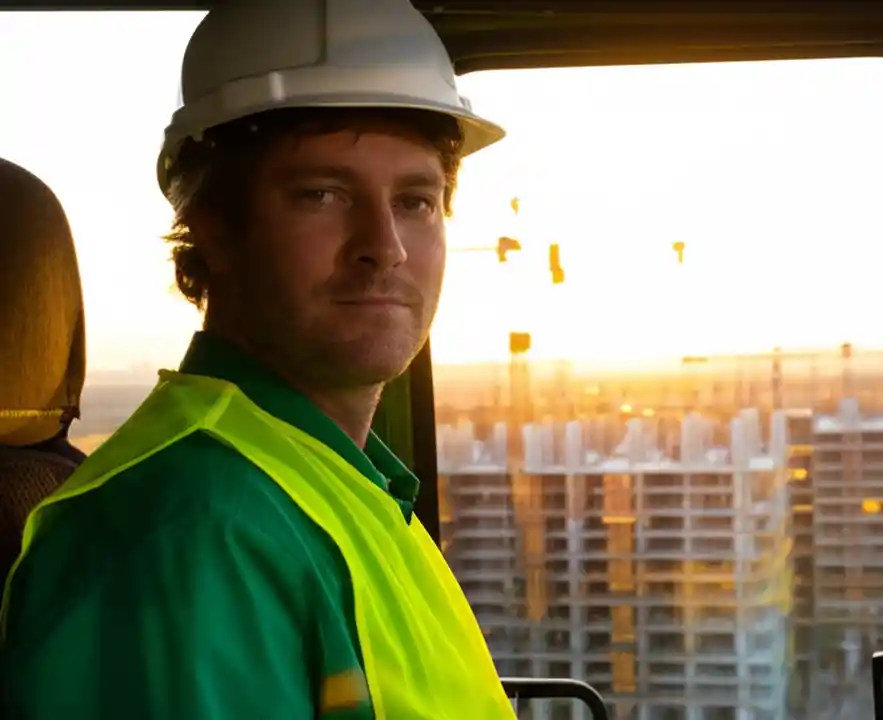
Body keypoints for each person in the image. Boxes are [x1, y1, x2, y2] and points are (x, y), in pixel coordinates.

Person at [0, 0, 514, 717]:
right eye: (323, 194)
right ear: (212, 228)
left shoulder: (337, 486)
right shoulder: (197, 531)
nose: (385, 246)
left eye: (416, 201)